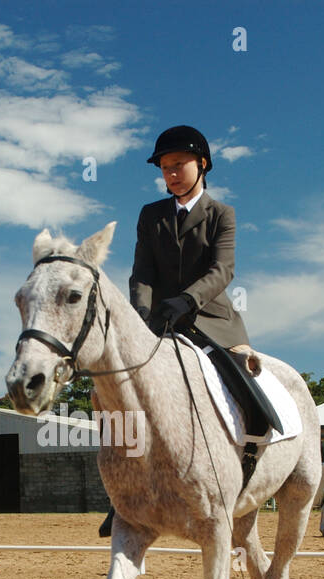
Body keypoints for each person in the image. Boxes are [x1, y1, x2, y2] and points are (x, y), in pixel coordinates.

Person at [98, 125, 278, 537]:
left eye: (178, 164)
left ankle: (247, 466)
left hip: (212, 323)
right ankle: (121, 496)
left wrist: (188, 301)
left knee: (246, 393)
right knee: (113, 394)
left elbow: (222, 270)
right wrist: (142, 316)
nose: (171, 173)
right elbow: (141, 272)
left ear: (202, 164)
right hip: (158, 324)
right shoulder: (150, 215)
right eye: (165, 167)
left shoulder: (222, 214)